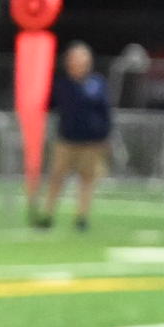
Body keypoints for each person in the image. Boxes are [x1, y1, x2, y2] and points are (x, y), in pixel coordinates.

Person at [37, 41, 110, 230]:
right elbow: (47, 104)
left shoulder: (97, 83)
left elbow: (104, 111)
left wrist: (104, 135)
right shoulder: (62, 84)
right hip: (67, 139)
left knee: (87, 178)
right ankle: (48, 214)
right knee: (57, 176)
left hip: (91, 141)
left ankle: (82, 217)